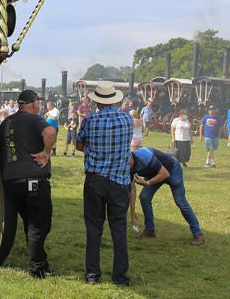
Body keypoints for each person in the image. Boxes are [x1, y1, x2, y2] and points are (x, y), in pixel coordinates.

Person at [0, 89, 56, 279]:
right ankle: (37, 268)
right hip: (33, 181)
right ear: (34, 104)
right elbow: (51, 131)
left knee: (30, 222)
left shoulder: (7, 121)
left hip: (11, 183)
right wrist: (46, 152)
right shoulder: (34, 119)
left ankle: (40, 262)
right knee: (38, 223)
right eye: (39, 103)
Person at [76, 81, 132, 286]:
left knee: (93, 228)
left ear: (97, 102)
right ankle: (120, 277)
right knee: (119, 229)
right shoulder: (128, 119)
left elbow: (79, 144)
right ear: (115, 100)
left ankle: (92, 274)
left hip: (96, 180)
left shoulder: (89, 120)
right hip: (119, 180)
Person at [129, 146, 204, 245]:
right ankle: (150, 230)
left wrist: (147, 183)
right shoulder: (125, 166)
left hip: (172, 170)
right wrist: (132, 212)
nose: (126, 165)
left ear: (131, 156)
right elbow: (132, 189)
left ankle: (198, 234)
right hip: (154, 174)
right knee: (144, 197)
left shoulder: (145, 156)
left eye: (128, 161)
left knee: (180, 201)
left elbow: (165, 174)